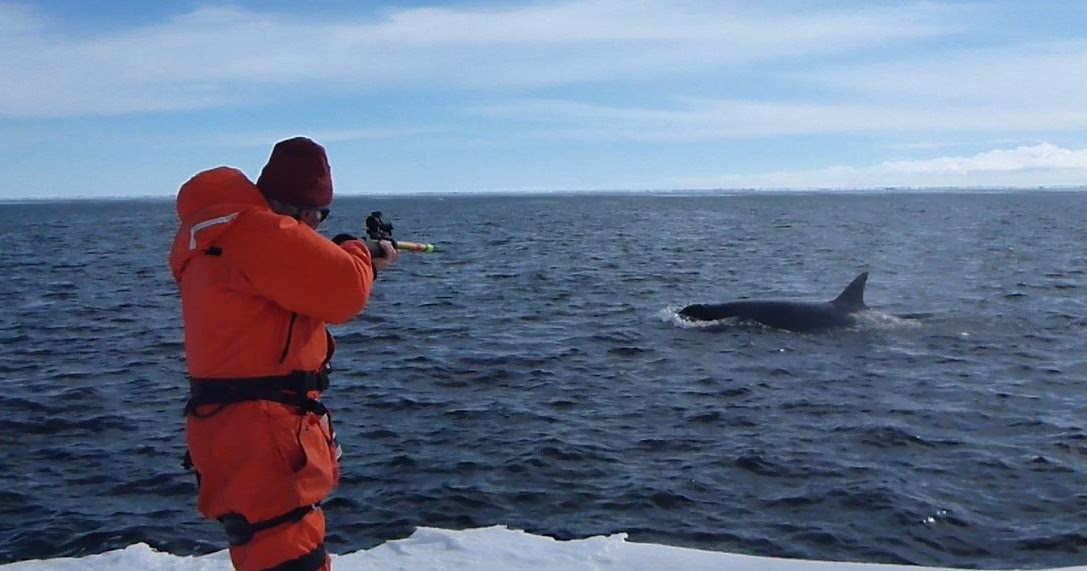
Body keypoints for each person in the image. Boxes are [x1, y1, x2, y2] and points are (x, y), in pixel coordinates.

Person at [169, 137, 397, 570]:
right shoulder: (258, 232)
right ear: (305, 209)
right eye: (318, 216)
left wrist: (342, 253)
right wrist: (357, 252)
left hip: (227, 426)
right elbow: (344, 291)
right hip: (263, 434)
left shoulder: (217, 233)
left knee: (266, 551)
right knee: (288, 553)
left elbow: (297, 287)